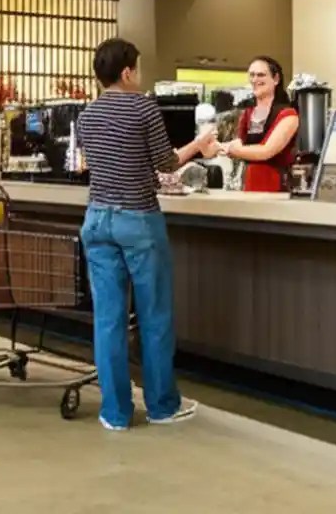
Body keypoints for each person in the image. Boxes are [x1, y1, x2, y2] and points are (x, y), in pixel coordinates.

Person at [76, 38, 213, 431]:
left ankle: (115, 413)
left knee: (108, 320)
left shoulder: (87, 115)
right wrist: (199, 146)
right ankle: (161, 406)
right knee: (153, 316)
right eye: (138, 67)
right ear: (127, 72)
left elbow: (98, 163)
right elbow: (166, 163)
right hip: (138, 219)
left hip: (97, 220)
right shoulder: (143, 107)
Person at [214, 56, 299, 193]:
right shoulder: (248, 114)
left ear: (276, 79)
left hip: (276, 188)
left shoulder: (288, 115)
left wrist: (232, 149)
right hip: (248, 186)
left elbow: (267, 151)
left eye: (261, 75)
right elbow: (239, 144)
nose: (255, 80)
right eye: (252, 75)